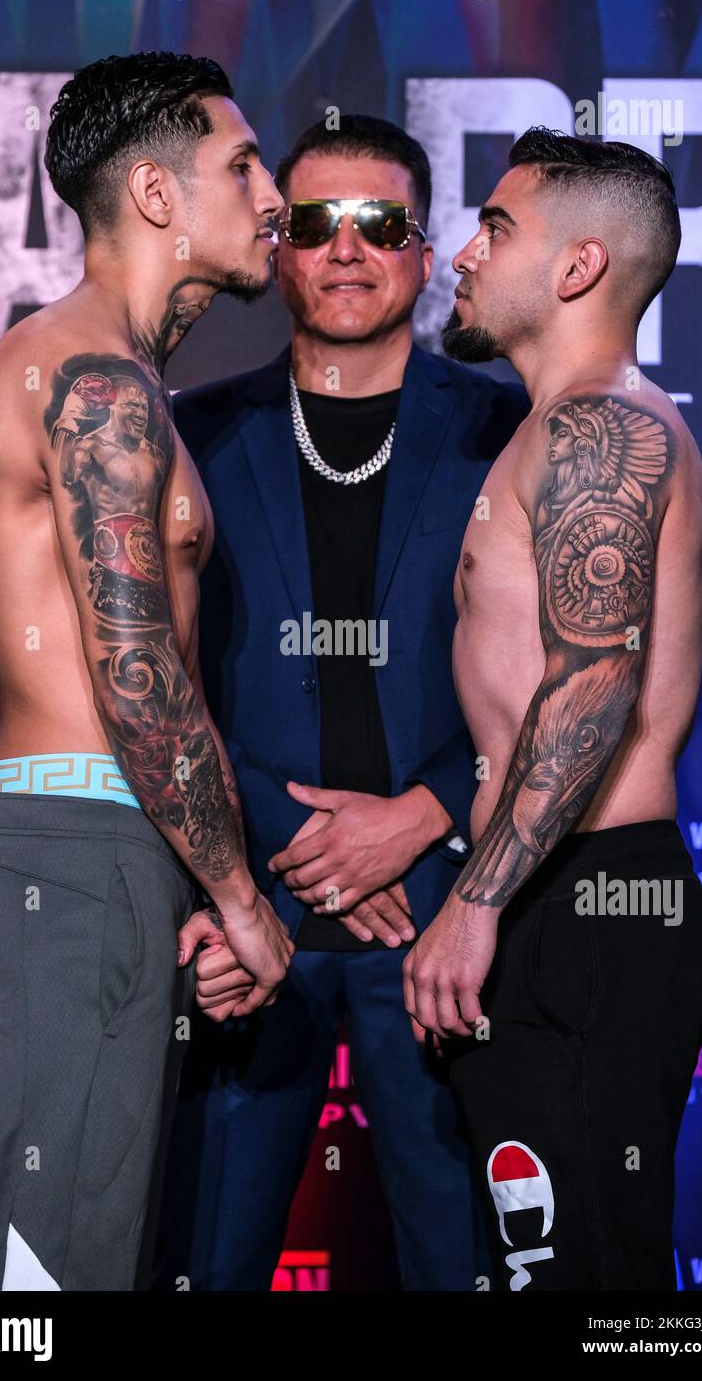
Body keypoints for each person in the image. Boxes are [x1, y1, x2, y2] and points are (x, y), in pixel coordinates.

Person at [153, 115, 529, 1292]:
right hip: (245, 911)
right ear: (277, 250)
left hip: (446, 919)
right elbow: (160, 680)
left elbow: (562, 684)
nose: (348, 250)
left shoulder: (504, 432)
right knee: (200, 1258)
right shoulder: (191, 432)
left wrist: (422, 814)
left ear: (425, 253)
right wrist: (299, 842)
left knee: (461, 1260)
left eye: (383, 225)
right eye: (314, 223)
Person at [0, 50, 291, 1292]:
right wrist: (240, 897)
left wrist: (191, 877)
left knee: (80, 1247)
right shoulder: (96, 384)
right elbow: (136, 674)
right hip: (80, 845)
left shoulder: (117, 373)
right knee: (52, 1268)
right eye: (243, 165)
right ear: (155, 194)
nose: (274, 197)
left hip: (100, 844)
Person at [404, 127, 702, 1291]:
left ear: (579, 266)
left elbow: (592, 683)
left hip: (592, 900)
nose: (460, 256)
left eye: (495, 228)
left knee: (592, 1285)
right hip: (543, 892)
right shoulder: (548, 429)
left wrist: (476, 902)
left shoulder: (603, 427)